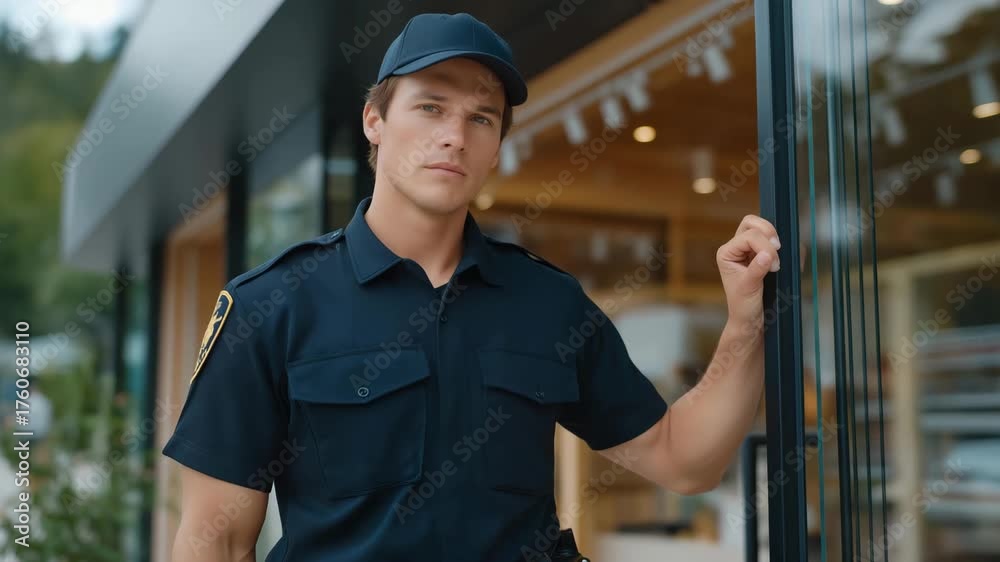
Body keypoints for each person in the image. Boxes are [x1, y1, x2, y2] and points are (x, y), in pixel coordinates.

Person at [162, 12, 782, 562]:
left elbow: (684, 459)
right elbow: (212, 542)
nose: (455, 135)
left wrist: (744, 323)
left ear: (495, 150)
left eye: (481, 118)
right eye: (430, 107)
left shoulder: (549, 304)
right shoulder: (269, 306)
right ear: (374, 121)